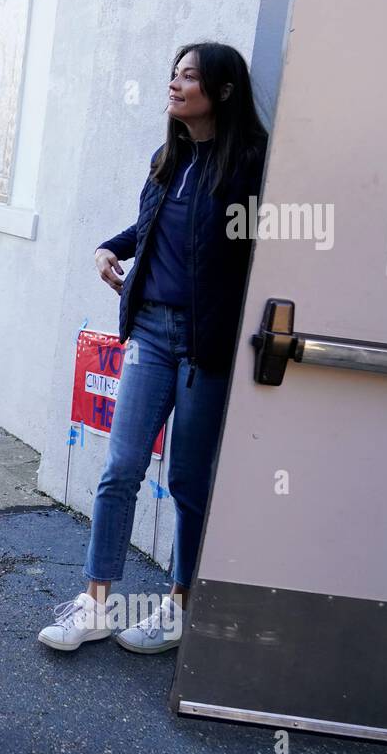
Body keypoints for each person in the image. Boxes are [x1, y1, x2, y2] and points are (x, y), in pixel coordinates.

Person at [37, 42, 268, 655]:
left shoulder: (247, 164)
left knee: (189, 480)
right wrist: (109, 247)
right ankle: (96, 604)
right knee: (120, 469)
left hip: (203, 343)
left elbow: (253, 256)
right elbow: (152, 228)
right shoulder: (168, 158)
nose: (173, 83)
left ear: (219, 91)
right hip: (149, 334)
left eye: (188, 76)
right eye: (173, 72)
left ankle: (181, 606)